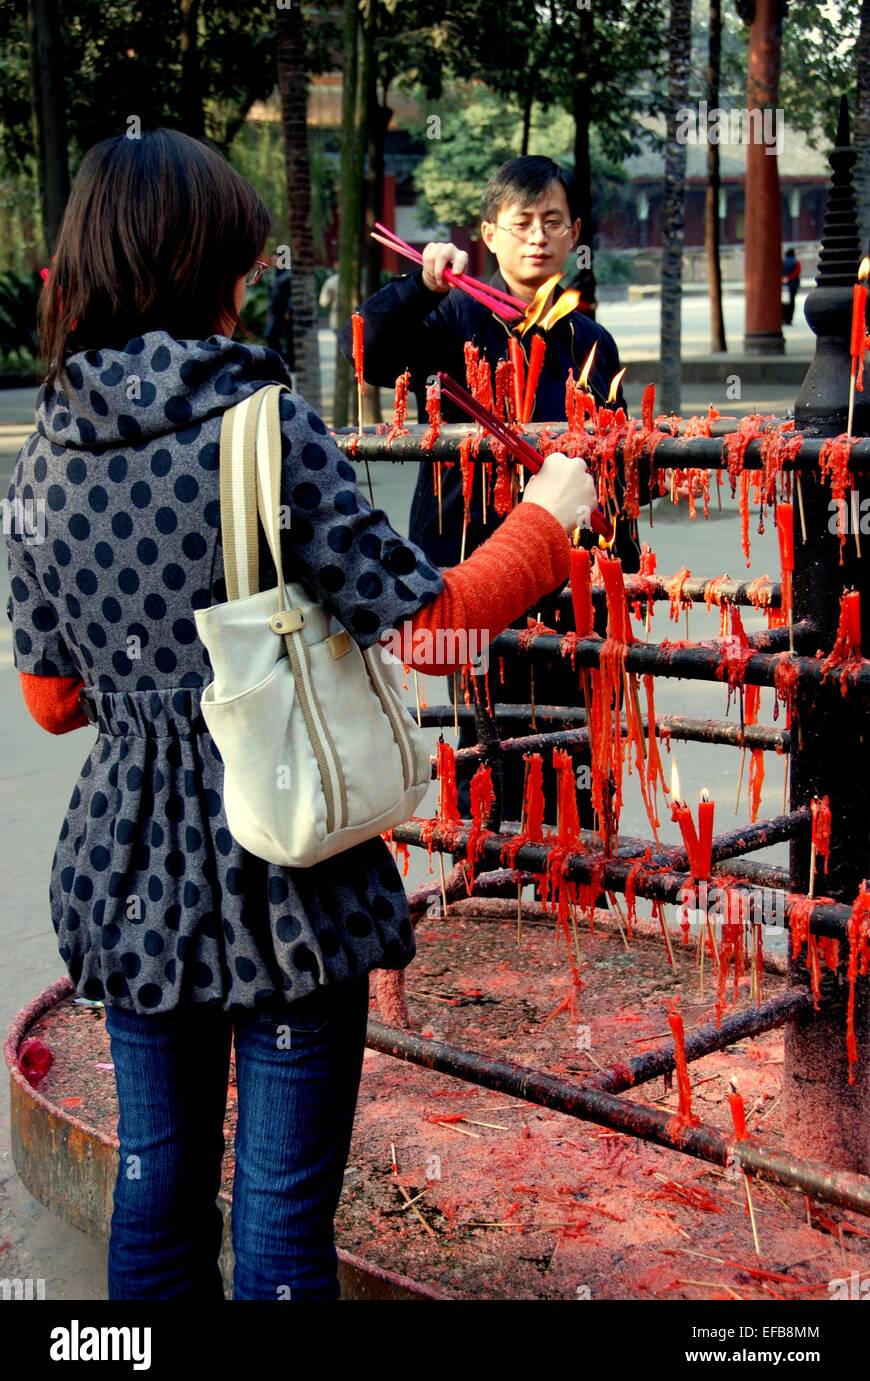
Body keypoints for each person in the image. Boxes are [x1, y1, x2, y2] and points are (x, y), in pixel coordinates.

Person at [5, 128, 594, 1300]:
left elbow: (52, 701)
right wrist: (549, 511)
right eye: (243, 263)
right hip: (285, 884)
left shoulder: (46, 456)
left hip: (126, 880)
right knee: (278, 1216)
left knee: (157, 1189)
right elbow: (429, 628)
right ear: (202, 268)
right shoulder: (263, 427)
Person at [339, 155, 648, 821]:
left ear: (574, 234)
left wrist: (623, 573)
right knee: (490, 755)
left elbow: (613, 474)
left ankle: (573, 904)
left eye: (553, 222)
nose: (538, 236)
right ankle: (491, 899)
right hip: (477, 578)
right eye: (522, 222)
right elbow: (369, 352)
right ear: (490, 233)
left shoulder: (591, 340)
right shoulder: (453, 317)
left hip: (570, 587)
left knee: (574, 760)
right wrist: (420, 285)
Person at [781, 247, 801, 325]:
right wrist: (789, 278)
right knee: (792, 302)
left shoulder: (782, 262)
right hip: (793, 284)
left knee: (783, 302)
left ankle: (783, 318)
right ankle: (789, 319)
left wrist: (783, 278)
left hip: (783, 284)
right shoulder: (796, 262)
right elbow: (797, 272)